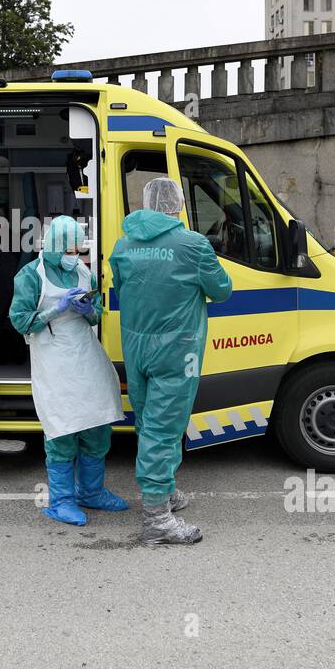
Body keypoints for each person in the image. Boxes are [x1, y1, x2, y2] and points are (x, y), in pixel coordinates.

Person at [110, 177, 233, 545]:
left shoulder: (123, 244)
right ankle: (156, 520)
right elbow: (222, 290)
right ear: (177, 205)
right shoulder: (193, 245)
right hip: (177, 350)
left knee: (149, 422)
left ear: (147, 204)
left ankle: (165, 492)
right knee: (165, 429)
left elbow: (120, 285)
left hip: (136, 346)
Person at [9, 215, 127, 526]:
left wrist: (89, 309)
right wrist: (56, 309)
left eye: (79, 250)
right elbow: (20, 321)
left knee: (97, 424)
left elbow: (97, 313)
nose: (76, 256)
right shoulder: (30, 276)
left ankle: (91, 491)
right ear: (55, 246)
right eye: (71, 250)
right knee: (62, 429)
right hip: (53, 360)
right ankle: (61, 501)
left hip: (86, 358)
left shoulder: (83, 272)